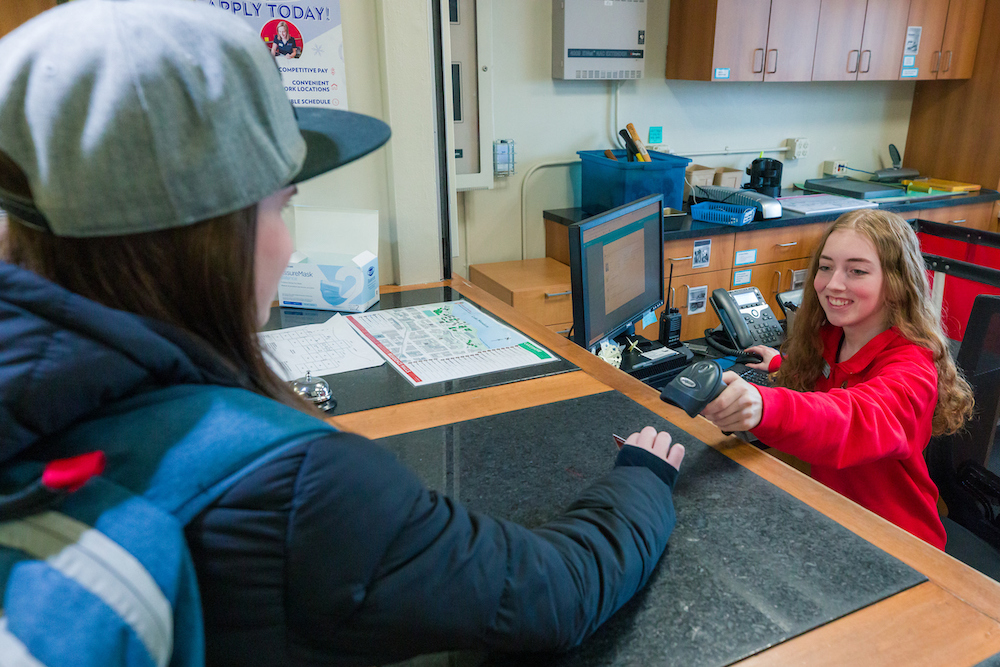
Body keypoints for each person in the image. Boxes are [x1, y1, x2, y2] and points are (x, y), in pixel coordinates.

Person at [0, 1, 685, 664]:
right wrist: (642, 479)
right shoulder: (300, 483)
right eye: (279, 206)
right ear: (212, 241)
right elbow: (552, 593)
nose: (286, 247)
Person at [700, 209, 974, 549]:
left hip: (896, 542)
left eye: (856, 271)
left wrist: (764, 406)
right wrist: (781, 365)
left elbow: (855, 416)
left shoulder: (913, 368)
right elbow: (830, 379)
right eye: (826, 267)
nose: (832, 284)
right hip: (836, 519)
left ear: (896, 283)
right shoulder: (832, 337)